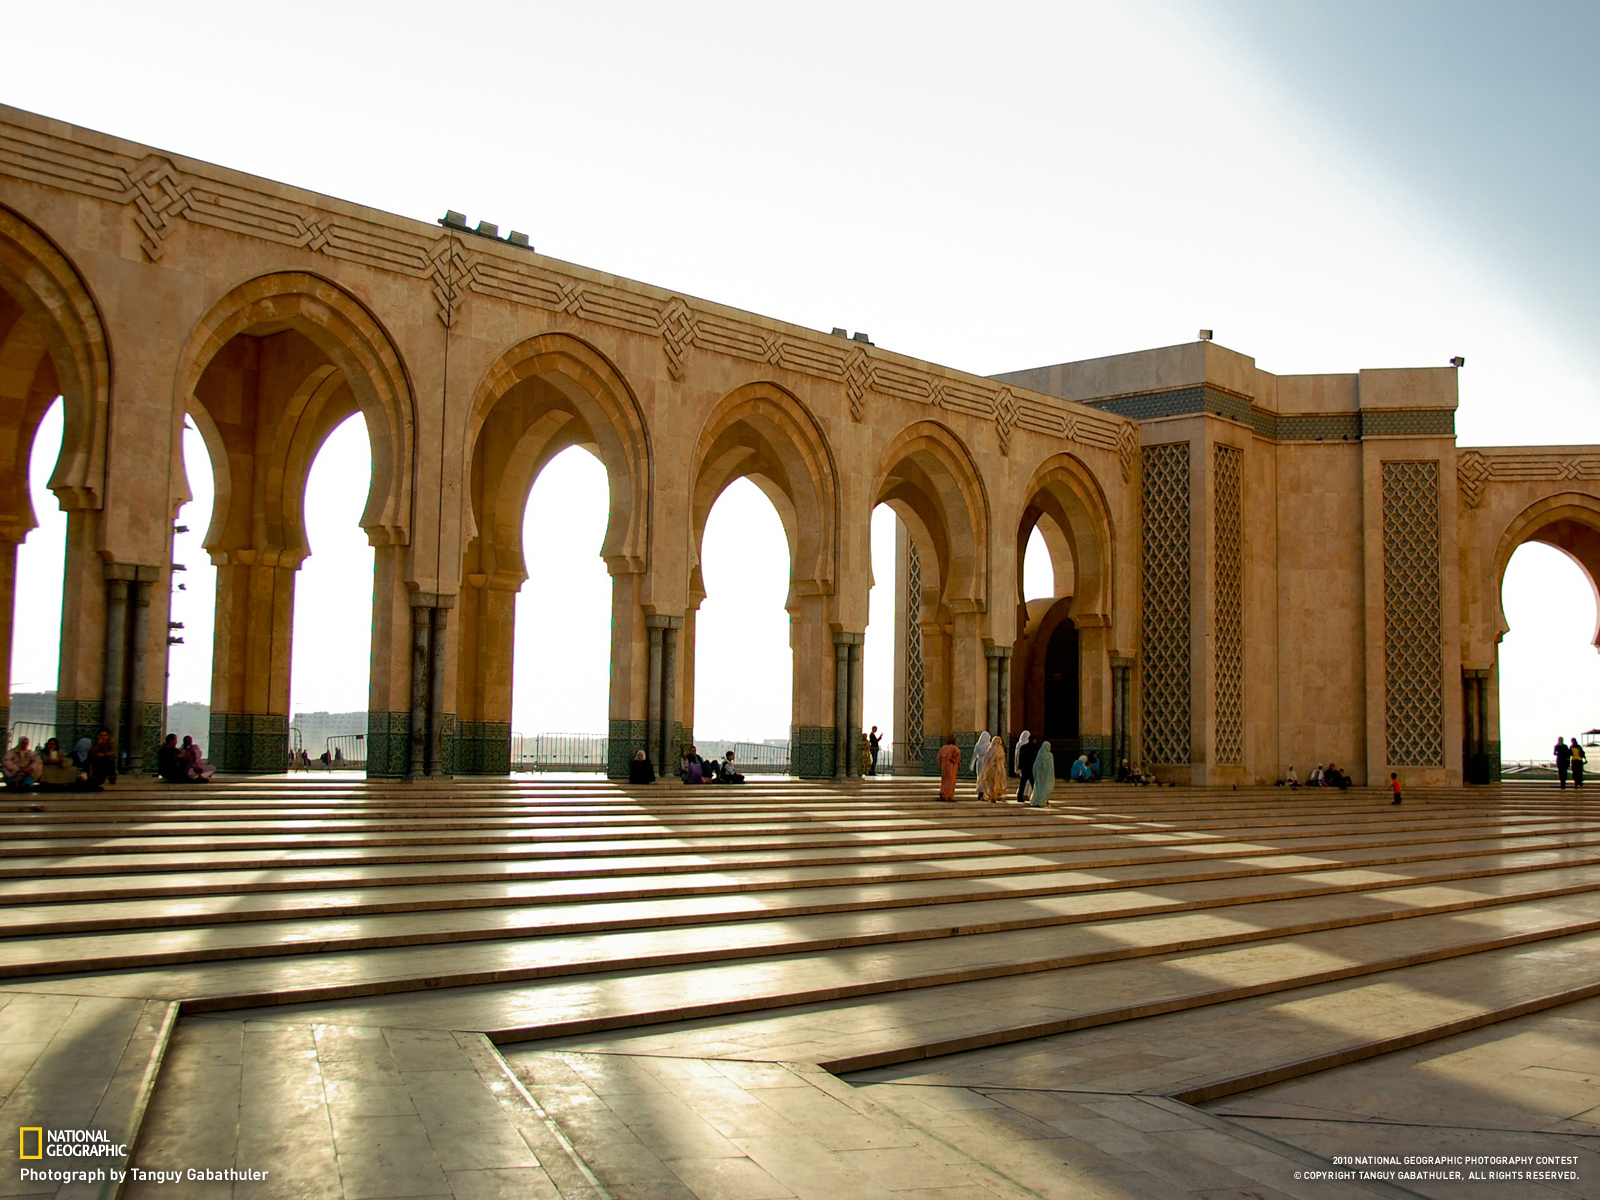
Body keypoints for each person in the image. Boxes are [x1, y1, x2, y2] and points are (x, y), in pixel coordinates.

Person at [976, 733, 1006, 803]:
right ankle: (996, 796)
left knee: (989, 783)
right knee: (996, 783)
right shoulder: (999, 749)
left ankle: (989, 795)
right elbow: (1001, 759)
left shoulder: (989, 748)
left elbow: (987, 759)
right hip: (998, 769)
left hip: (987, 767)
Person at [1029, 740, 1056, 808]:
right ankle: (1043, 801)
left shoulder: (1040, 755)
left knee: (1039, 788)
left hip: (1040, 776)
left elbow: (1036, 766)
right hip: (1047, 775)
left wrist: (1035, 774)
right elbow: (1051, 767)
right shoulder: (1050, 755)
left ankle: (1037, 801)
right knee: (1045, 788)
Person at [1014, 731, 1037, 802]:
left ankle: (1020, 797)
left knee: (1022, 784)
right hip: (1031, 768)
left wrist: (1019, 767)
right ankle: (1035, 797)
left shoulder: (1023, 747)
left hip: (1024, 768)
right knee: (1033, 784)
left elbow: (1020, 758)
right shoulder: (1035, 748)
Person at [936, 735, 961, 801]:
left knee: (944, 780)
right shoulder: (954, 748)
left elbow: (939, 757)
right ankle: (949, 796)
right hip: (951, 765)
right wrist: (954, 761)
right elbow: (958, 753)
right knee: (951, 781)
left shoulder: (943, 748)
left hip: (944, 765)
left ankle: (943, 793)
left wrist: (941, 763)